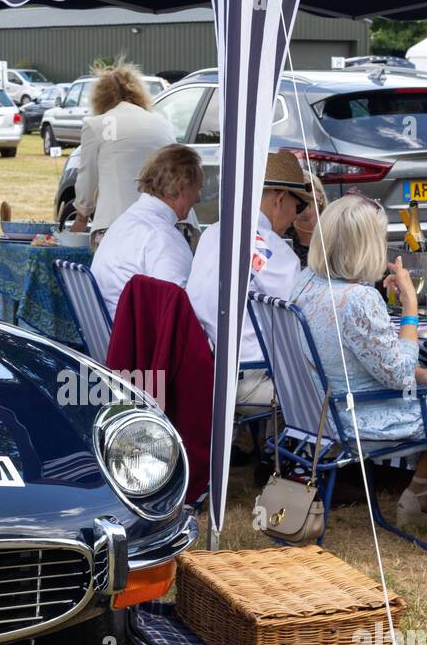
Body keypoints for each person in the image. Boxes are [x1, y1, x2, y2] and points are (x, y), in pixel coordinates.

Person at [290, 195, 427, 546]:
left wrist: (422, 374)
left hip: (316, 411)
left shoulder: (306, 282)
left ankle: (419, 497)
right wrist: (410, 307)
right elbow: (399, 374)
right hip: (355, 417)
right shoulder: (357, 299)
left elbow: (368, 358)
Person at [187, 151, 309, 409]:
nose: (296, 217)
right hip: (255, 379)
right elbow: (301, 320)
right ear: (280, 199)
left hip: (212, 373)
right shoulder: (269, 248)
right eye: (299, 207)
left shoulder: (213, 233)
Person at [90, 143, 201, 319]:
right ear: (181, 187)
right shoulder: (161, 236)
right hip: (135, 338)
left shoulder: (124, 221)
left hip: (111, 332)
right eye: (197, 189)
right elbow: (182, 311)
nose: (198, 199)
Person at [71, 58, 175, 243]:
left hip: (117, 225)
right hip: (166, 225)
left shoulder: (97, 125)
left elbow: (87, 178)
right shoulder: (163, 124)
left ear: (99, 98)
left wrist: (81, 217)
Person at [289, 173, 328, 267]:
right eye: (294, 191)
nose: (300, 197)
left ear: (321, 197)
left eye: (306, 188)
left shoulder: (334, 229)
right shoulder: (282, 234)